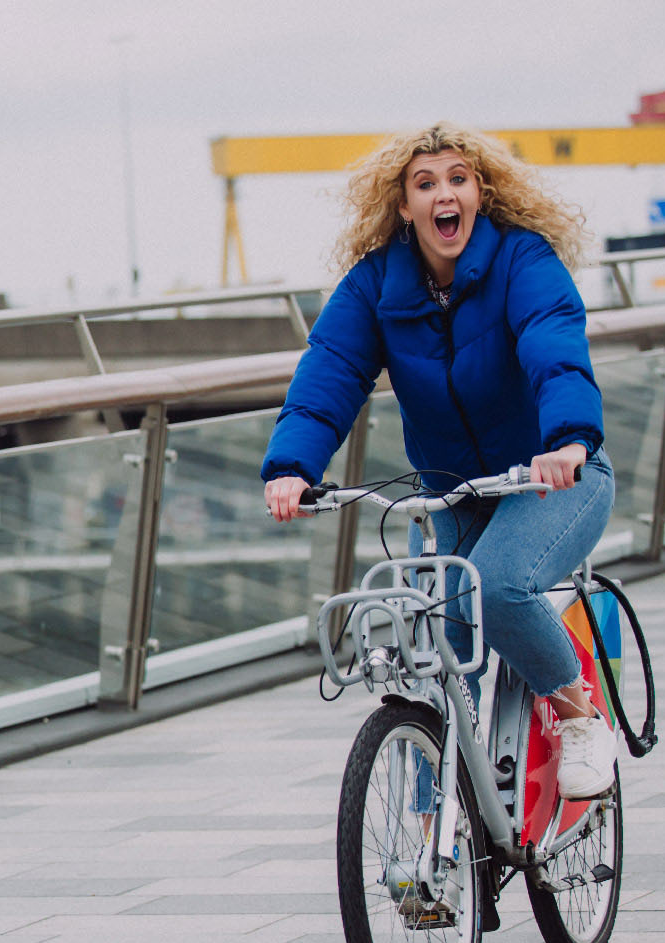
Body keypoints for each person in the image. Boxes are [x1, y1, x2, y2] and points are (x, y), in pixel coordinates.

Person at [261, 122, 617, 801]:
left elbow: (553, 345)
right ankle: (432, 851)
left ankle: (577, 715)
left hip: (554, 477)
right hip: (454, 493)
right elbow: (330, 373)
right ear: (403, 205)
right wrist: (293, 465)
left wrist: (569, 438)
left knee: (500, 584)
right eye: (425, 184)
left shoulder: (523, 260)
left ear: (480, 192)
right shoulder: (375, 288)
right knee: (437, 655)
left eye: (457, 179)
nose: (442, 195)